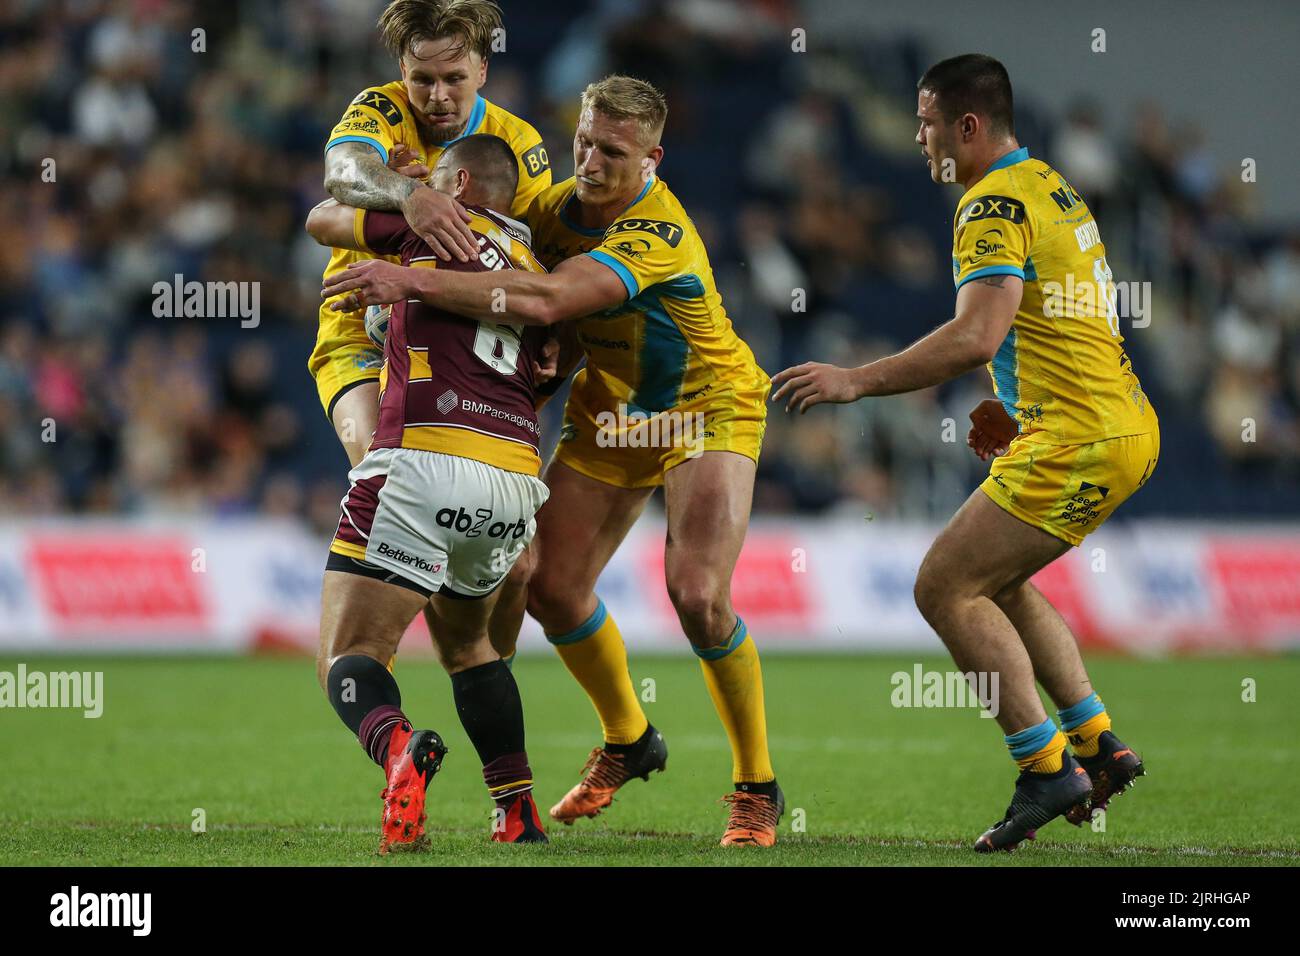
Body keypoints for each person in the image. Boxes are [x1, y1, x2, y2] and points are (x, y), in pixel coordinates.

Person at [323, 75, 785, 847]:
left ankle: (756, 787)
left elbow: (544, 301)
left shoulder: (656, 230)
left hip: (705, 403)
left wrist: (407, 277)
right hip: (611, 407)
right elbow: (497, 255)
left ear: (652, 158)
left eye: (613, 151)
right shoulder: (550, 209)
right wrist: (415, 190)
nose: (593, 162)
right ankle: (630, 739)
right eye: (584, 143)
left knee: (698, 594)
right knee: (553, 588)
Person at [772, 54, 1158, 852]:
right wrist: (1014, 407)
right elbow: (1061, 319)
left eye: (926, 123)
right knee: (998, 581)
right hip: (1118, 424)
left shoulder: (988, 204)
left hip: (1079, 437)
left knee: (943, 587)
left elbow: (974, 333)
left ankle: (1046, 769)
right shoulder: (1051, 184)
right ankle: (1095, 744)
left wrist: (854, 380)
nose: (918, 138)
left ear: (968, 127)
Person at [306, 134, 554, 851]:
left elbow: (324, 214)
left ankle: (399, 750)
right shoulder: (534, 263)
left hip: (423, 461)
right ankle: (517, 812)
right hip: (512, 482)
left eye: (439, 177)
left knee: (349, 654)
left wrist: (400, 190)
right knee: (471, 646)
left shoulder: (427, 220)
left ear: (463, 182)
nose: (424, 188)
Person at [314, 0, 552, 661]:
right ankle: (382, 707)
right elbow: (339, 175)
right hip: (359, 338)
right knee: (385, 484)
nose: (437, 96)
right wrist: (406, 193)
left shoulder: (519, 148)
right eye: (422, 80)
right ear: (402, 71)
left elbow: (537, 271)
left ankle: (482, 678)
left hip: (471, 352)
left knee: (523, 569)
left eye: (454, 78)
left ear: (482, 67)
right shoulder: (379, 110)